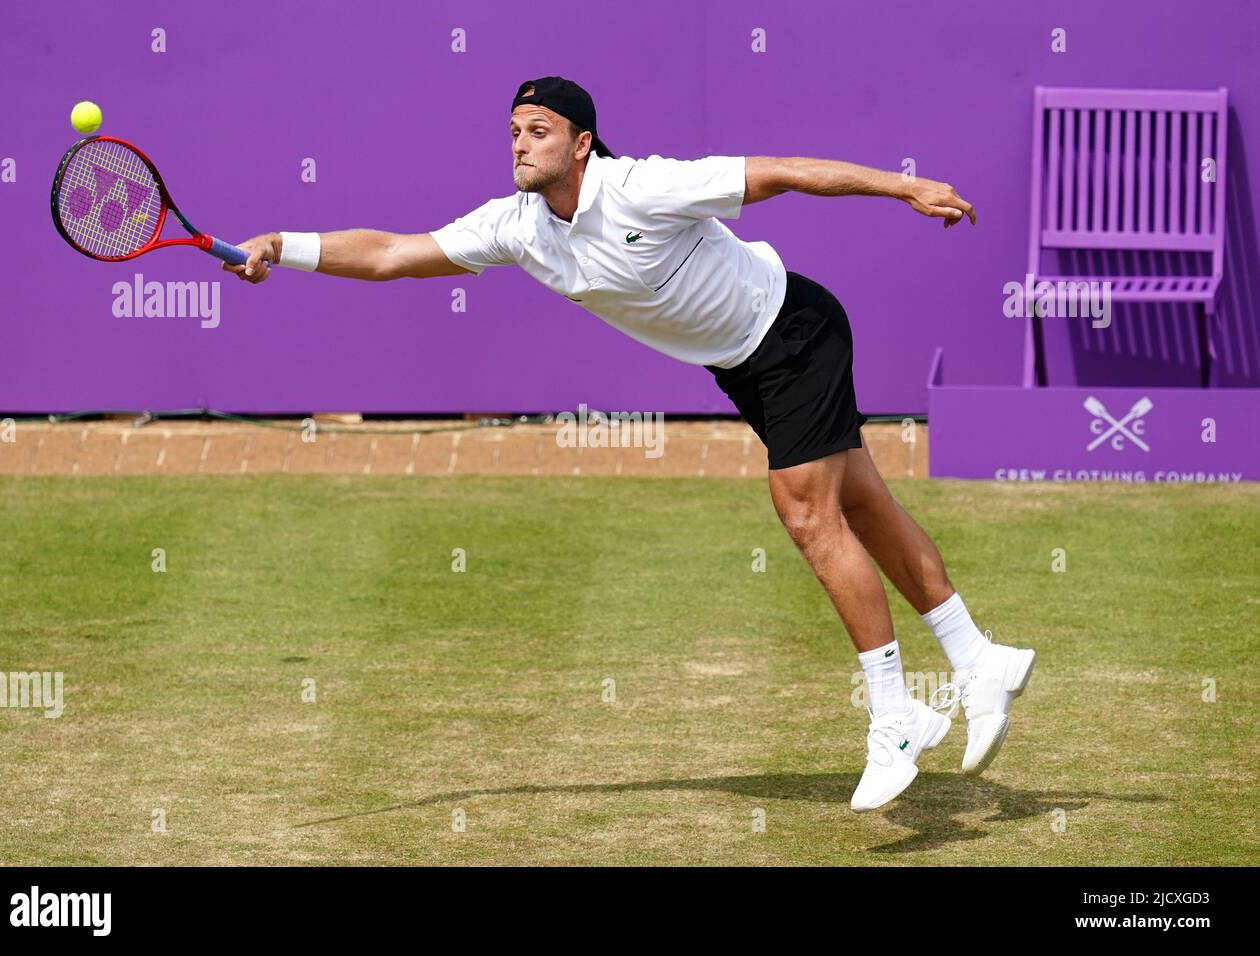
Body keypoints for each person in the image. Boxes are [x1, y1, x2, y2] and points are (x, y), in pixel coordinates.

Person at [225, 75, 1036, 813]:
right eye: (512, 130)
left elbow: (782, 169)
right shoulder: (517, 227)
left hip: (795, 333)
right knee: (860, 501)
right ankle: (977, 659)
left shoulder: (642, 187)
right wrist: (282, 245)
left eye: (537, 130)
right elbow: (393, 254)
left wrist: (906, 186)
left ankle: (896, 714)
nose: (518, 143)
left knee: (805, 512)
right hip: (743, 364)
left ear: (580, 143)